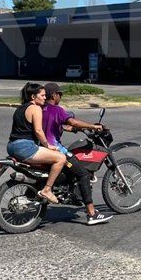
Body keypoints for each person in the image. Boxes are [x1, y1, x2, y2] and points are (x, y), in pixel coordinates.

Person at [43, 82, 113, 226]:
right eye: (60, 94)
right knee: (83, 174)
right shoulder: (57, 110)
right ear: (54, 95)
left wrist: (73, 129)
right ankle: (92, 213)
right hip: (55, 149)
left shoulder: (41, 109)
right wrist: (93, 126)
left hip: (41, 148)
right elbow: (72, 121)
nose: (61, 96)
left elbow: (55, 125)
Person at [6, 82, 65, 204]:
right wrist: (48, 145)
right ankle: (47, 190)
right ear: (33, 97)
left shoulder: (20, 108)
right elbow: (38, 131)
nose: (45, 97)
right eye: (42, 95)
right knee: (60, 158)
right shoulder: (36, 108)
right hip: (25, 147)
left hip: (11, 146)